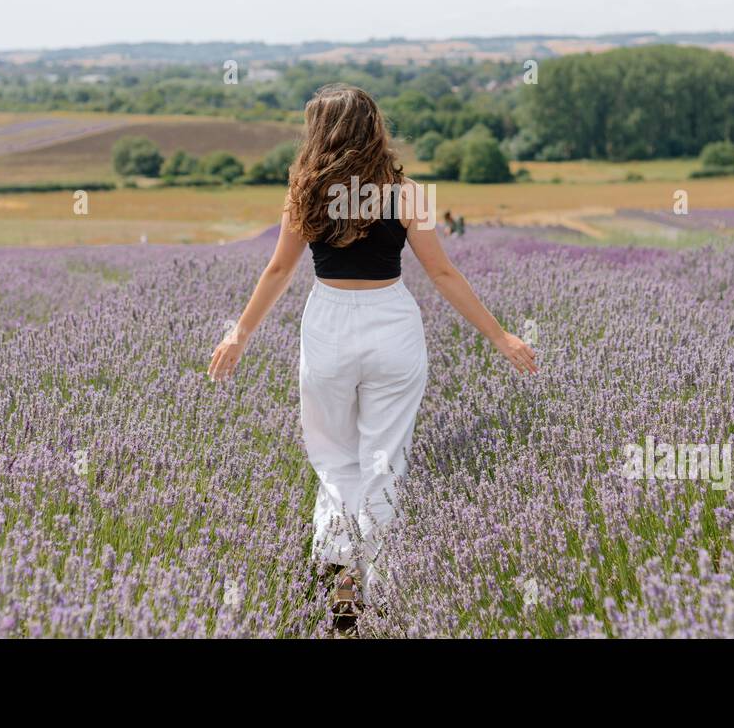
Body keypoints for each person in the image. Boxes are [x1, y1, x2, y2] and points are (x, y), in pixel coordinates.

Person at [207, 83, 537, 633]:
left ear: (319, 132)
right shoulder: (406, 193)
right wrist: (501, 338)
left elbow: (279, 271)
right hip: (392, 329)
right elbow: (443, 273)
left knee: (336, 460)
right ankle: (380, 590)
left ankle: (341, 581)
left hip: (329, 326)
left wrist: (239, 334)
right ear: (374, 128)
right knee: (385, 460)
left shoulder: (304, 191)